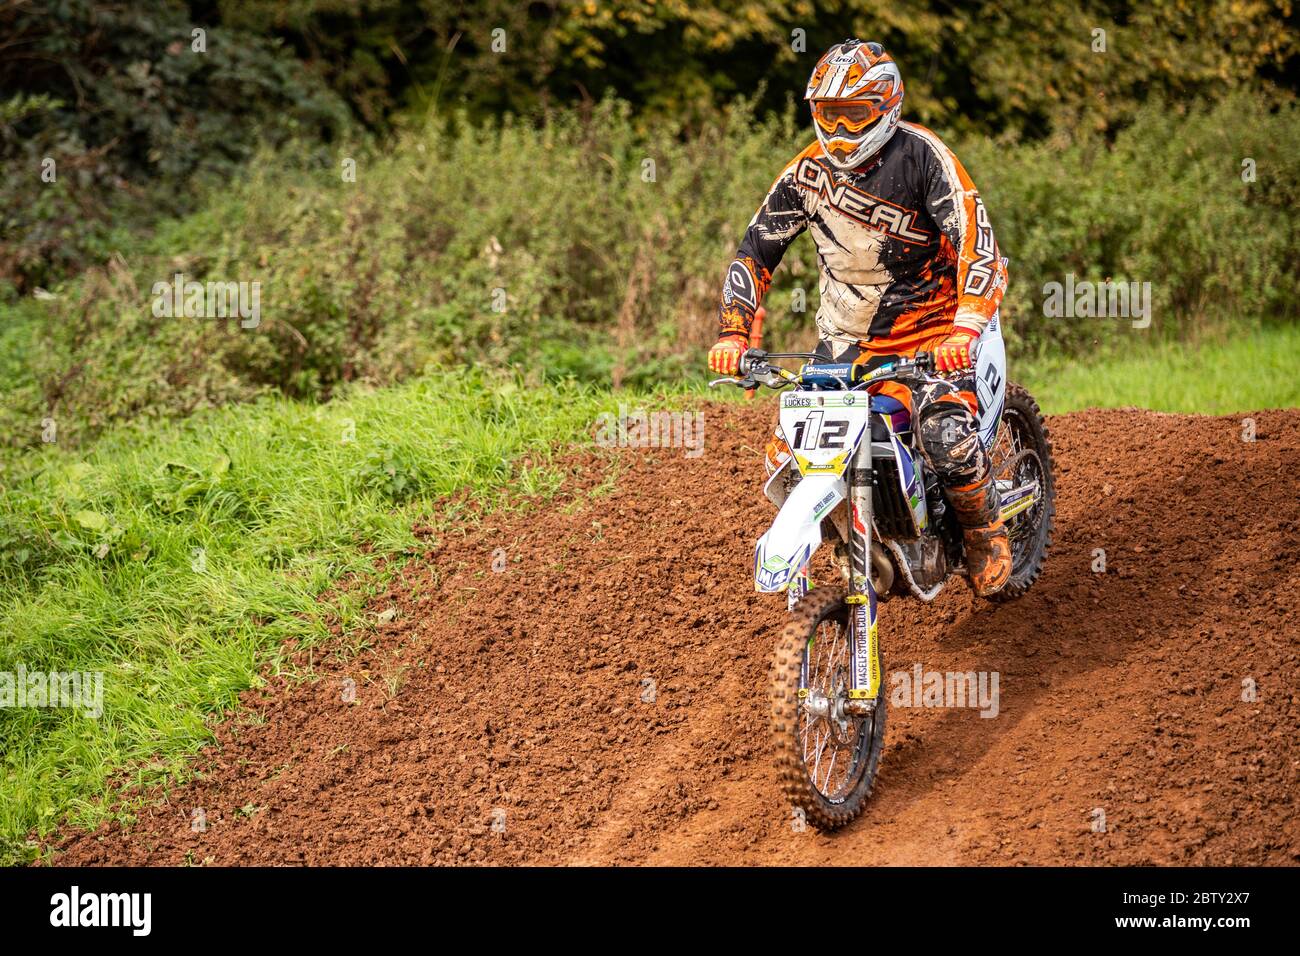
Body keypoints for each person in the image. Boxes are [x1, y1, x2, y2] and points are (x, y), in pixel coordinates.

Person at [707, 39, 1012, 596]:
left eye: (855, 114)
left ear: (887, 106)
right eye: (829, 115)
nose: (841, 130)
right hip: (846, 341)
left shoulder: (921, 157)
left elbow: (977, 244)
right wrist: (734, 330)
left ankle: (982, 529)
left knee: (945, 434)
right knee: (789, 450)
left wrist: (967, 323)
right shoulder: (807, 172)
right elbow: (755, 252)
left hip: (935, 335)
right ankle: (860, 539)